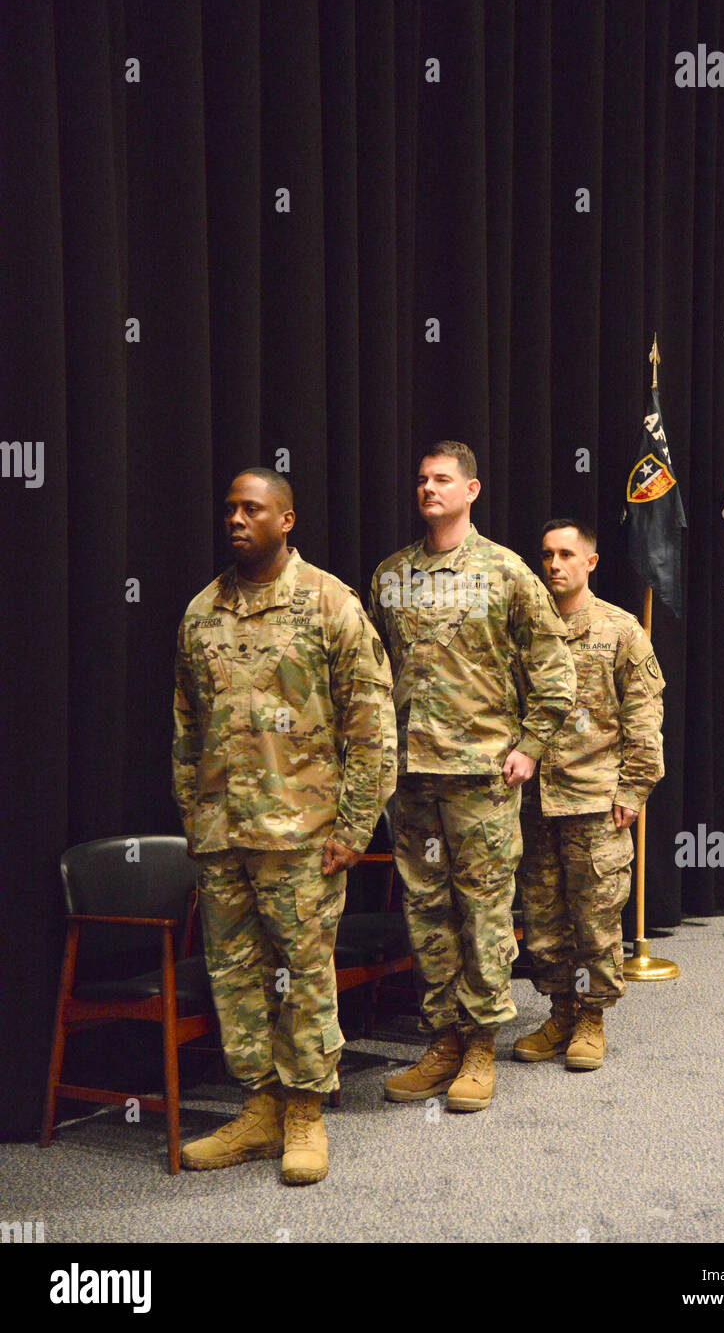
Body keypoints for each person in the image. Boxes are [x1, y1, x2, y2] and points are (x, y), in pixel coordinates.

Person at [172, 468, 396, 1183]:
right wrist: (193, 813)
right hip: (222, 834)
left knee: (301, 978)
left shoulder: (329, 604)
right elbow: (185, 730)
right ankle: (258, 1109)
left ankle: (304, 1111)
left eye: (252, 509)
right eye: (230, 508)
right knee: (235, 977)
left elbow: (373, 728)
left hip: (303, 834)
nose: (236, 519)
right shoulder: (201, 611)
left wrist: (353, 828)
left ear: (286, 519)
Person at [367, 443, 576, 1111]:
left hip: (481, 770)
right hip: (412, 775)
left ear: (472, 489)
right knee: (427, 911)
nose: (428, 488)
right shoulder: (391, 574)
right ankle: (445, 1038)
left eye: (442, 480)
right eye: (421, 479)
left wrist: (532, 746)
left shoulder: (506, 572)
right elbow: (373, 676)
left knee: (482, 910)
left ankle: (482, 1043)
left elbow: (552, 665)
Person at [513, 519, 664, 1070]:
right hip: (535, 803)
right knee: (545, 920)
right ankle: (559, 1011)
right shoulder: (526, 629)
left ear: (590, 562)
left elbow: (644, 718)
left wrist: (635, 787)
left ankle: (592, 1017)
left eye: (567, 555)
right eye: (547, 554)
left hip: (594, 800)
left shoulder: (619, 630)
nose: (554, 565)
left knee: (596, 919)